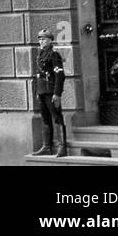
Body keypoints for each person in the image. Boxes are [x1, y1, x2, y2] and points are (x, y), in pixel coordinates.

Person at [32, 27, 67, 157]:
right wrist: (37, 91)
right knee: (45, 119)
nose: (41, 41)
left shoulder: (54, 54)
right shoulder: (40, 54)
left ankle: (62, 148)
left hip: (51, 91)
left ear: (50, 40)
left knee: (57, 118)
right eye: (40, 39)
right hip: (42, 91)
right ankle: (47, 146)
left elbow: (60, 75)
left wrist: (57, 93)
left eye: (44, 39)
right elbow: (38, 75)